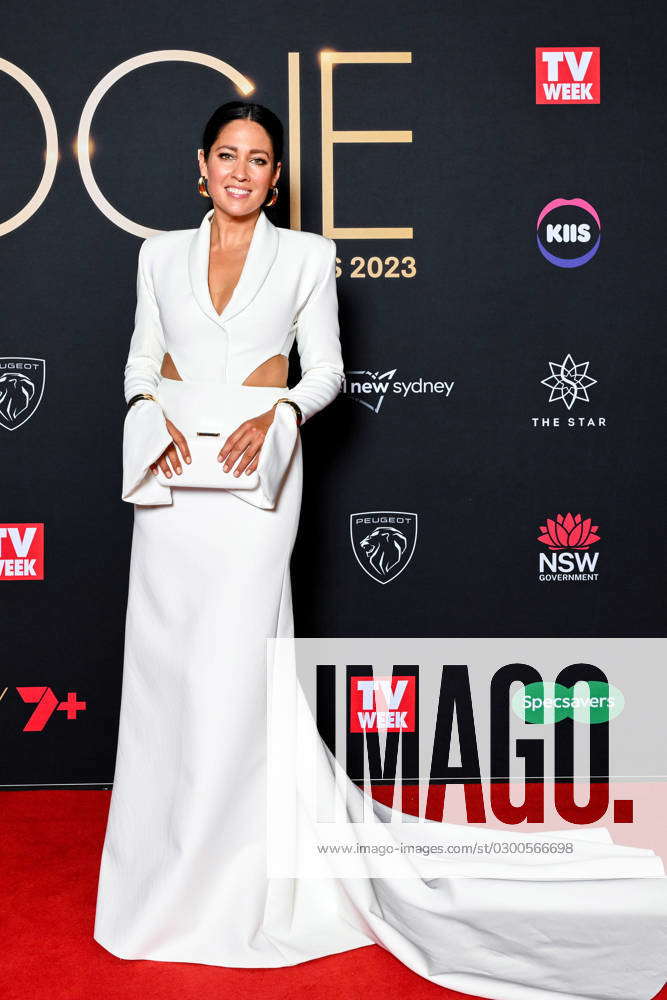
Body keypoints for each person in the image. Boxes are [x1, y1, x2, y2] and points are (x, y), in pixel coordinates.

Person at [93, 101, 666, 1000]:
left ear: (277, 177)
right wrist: (146, 411)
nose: (242, 172)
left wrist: (276, 412)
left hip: (253, 491)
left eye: (259, 160)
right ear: (199, 166)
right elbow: (139, 360)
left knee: (238, 674)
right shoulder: (156, 255)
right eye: (227, 156)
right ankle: (164, 876)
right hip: (169, 490)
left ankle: (241, 875)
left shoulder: (307, 256)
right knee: (167, 675)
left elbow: (325, 369)